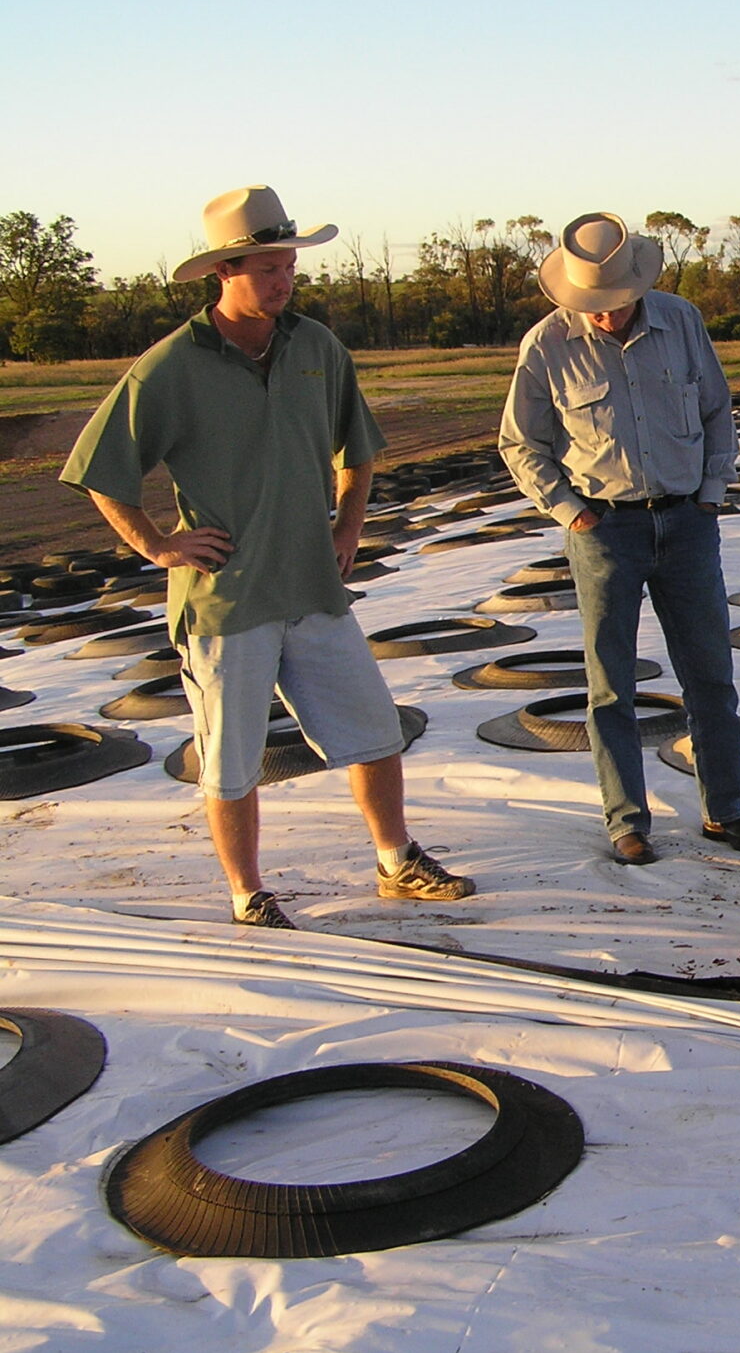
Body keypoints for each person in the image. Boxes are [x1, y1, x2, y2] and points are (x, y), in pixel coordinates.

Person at [59, 185, 472, 929]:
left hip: (313, 587)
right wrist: (157, 544)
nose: (285, 281)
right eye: (269, 269)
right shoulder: (170, 368)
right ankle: (250, 896)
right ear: (225, 271)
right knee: (231, 763)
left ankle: (396, 860)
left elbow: (359, 449)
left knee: (376, 733)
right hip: (228, 599)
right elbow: (100, 470)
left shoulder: (315, 347)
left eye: (290, 265)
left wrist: (349, 526)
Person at [499, 211, 740, 866]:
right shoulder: (546, 346)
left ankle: (726, 809)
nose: (605, 317)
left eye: (616, 305)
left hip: (685, 522)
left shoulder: (680, 322)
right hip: (603, 529)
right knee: (610, 684)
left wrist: (711, 494)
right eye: (592, 306)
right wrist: (570, 513)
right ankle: (627, 820)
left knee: (710, 673)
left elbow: (716, 410)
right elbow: (520, 443)